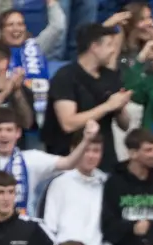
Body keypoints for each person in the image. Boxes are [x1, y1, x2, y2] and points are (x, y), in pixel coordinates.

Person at [44, 23, 129, 160]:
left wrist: (120, 107)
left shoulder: (110, 76)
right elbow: (68, 124)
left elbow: (125, 125)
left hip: (105, 159)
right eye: (109, 45)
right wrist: (108, 106)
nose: (113, 50)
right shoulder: (65, 77)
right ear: (94, 47)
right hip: (69, 159)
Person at [40, 136, 114, 245]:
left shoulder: (107, 184)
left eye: (96, 151)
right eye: (86, 150)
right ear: (74, 150)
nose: (91, 156)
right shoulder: (59, 183)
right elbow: (48, 228)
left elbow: (110, 230)